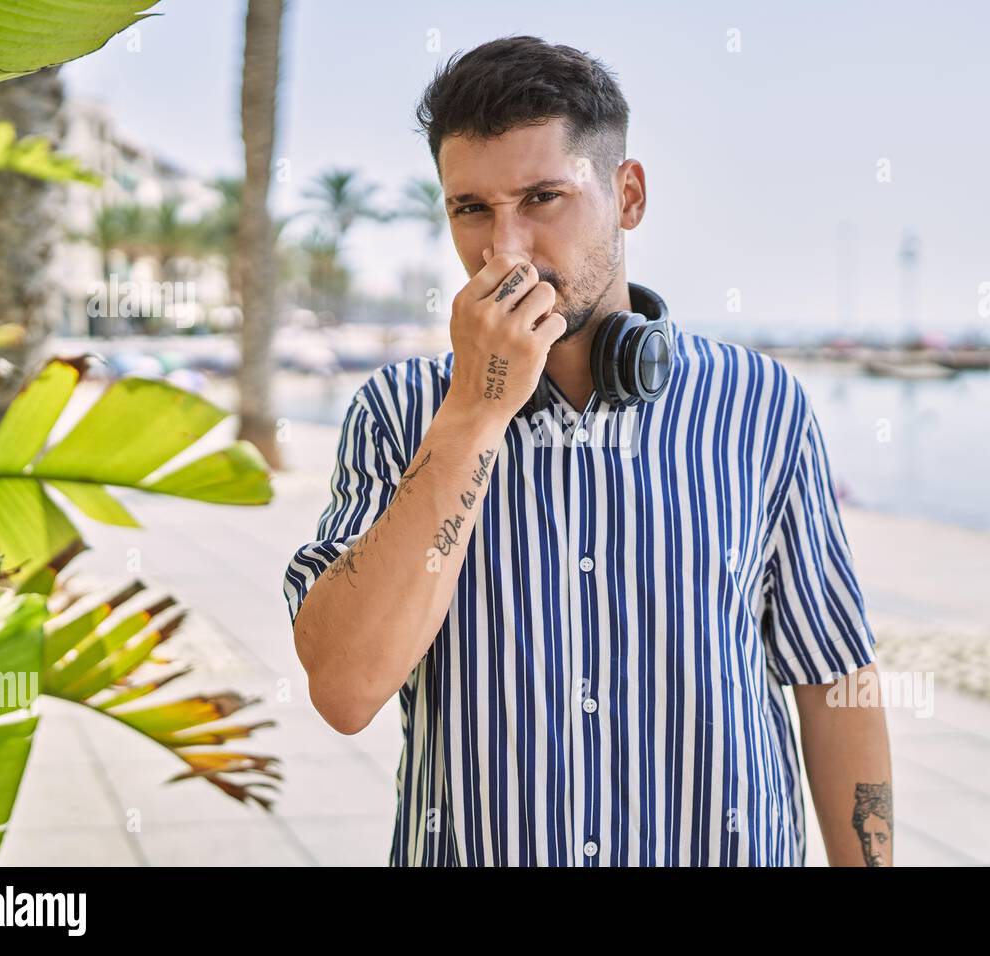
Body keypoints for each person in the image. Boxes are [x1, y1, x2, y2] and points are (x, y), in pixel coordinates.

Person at [284, 34, 893, 866]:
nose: (507, 251)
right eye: (472, 209)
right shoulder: (398, 413)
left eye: (543, 198)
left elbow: (834, 678)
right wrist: (472, 414)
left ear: (627, 194)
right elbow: (346, 690)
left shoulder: (759, 404)